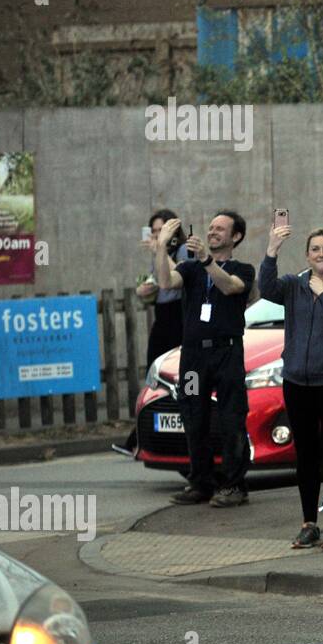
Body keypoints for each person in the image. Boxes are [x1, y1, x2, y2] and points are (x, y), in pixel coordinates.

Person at [260, 224, 323, 549]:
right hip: (297, 383)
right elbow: (265, 289)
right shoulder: (293, 286)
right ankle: (308, 523)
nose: (321, 254)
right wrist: (272, 250)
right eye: (315, 249)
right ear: (307, 255)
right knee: (306, 454)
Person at [156, 211, 255, 509]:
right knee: (193, 415)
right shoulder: (190, 268)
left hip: (227, 352)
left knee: (231, 418)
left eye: (220, 229)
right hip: (194, 355)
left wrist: (207, 261)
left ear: (235, 236)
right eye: (210, 227)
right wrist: (162, 246)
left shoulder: (243, 268)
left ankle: (234, 485)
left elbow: (230, 287)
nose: (212, 232)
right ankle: (201, 482)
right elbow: (165, 281)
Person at [113, 210, 190, 457]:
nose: (157, 236)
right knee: (154, 376)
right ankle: (142, 436)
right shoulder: (159, 253)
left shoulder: (182, 250)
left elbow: (180, 278)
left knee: (177, 378)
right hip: (163, 316)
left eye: (161, 230)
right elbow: (157, 285)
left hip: (179, 317)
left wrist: (162, 250)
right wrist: (144, 289)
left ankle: (139, 438)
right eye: (154, 231)